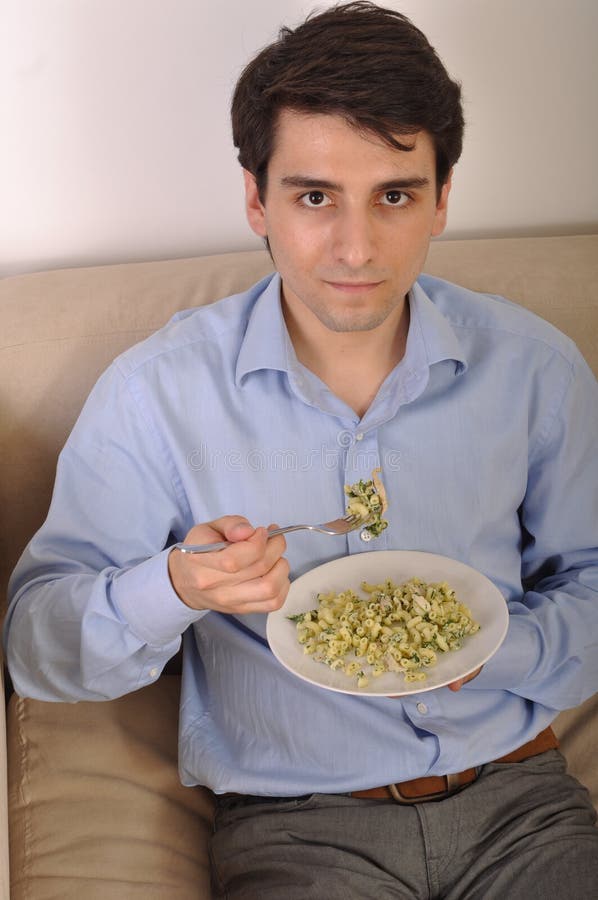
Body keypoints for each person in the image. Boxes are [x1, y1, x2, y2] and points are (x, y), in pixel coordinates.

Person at [4, 2, 598, 896]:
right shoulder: (154, 393)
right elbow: (33, 646)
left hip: (520, 800)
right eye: (315, 196)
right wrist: (173, 586)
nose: (355, 248)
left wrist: (489, 644)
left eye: (393, 195)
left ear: (441, 200)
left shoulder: (536, 370)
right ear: (257, 200)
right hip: (298, 829)